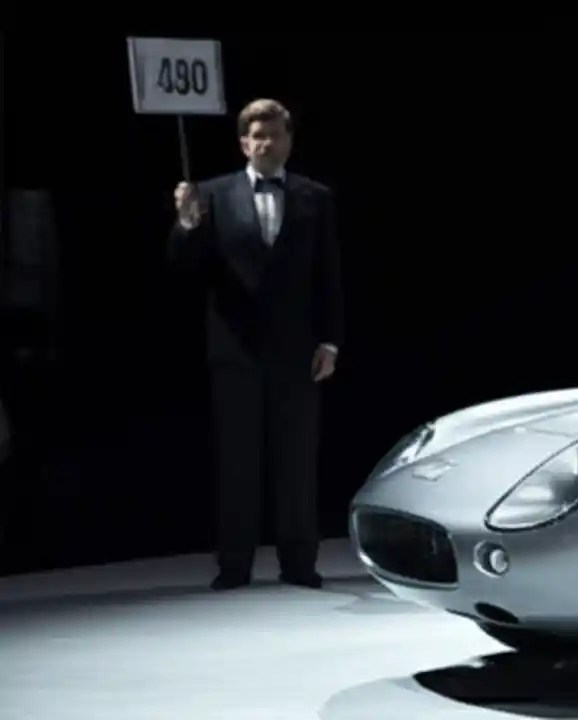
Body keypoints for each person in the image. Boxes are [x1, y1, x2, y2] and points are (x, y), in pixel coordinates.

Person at [169, 98, 343, 591]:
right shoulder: (211, 194)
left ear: (288, 141)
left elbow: (328, 274)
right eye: (257, 135)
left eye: (274, 135)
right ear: (243, 142)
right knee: (238, 461)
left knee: (297, 462)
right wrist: (186, 224)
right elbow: (184, 269)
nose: (266, 143)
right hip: (235, 349)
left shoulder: (315, 197)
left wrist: (331, 341)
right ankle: (234, 565)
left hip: (296, 349)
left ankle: (299, 564)